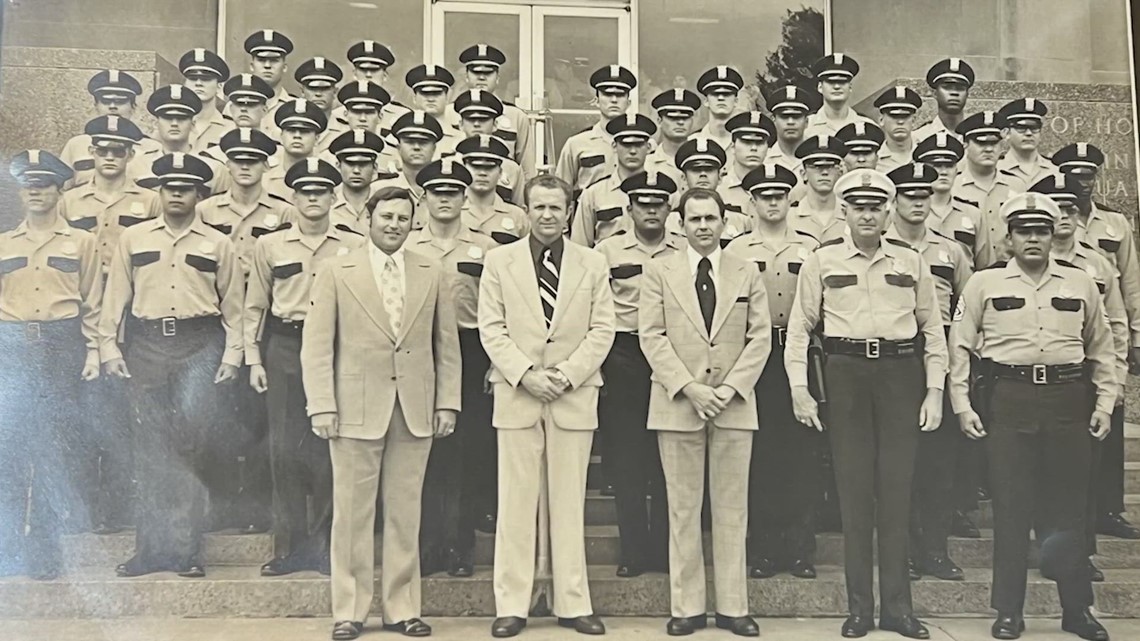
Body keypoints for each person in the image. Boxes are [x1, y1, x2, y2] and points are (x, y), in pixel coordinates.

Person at [786, 168, 947, 639]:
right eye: (859, 207)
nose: (868, 215)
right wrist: (800, 387)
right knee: (854, 493)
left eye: (877, 207)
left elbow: (933, 330)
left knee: (898, 492)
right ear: (845, 211)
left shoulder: (911, 261)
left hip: (900, 374)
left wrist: (934, 390)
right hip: (847, 375)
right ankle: (859, 608)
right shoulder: (822, 261)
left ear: (888, 211)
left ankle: (898, 609)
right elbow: (800, 329)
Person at [949, 192, 1115, 641]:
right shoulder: (983, 284)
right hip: (1010, 398)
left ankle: (1077, 610)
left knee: (1070, 512)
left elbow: (1102, 348)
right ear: (1009, 238)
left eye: (1042, 230)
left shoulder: (1079, 282)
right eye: (1025, 231)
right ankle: (1009, 611)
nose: (1034, 239)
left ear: (1054, 234)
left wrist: (1104, 404)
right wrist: (961, 404)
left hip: (1067, 400)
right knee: (1010, 508)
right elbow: (959, 348)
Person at [302, 186, 461, 640]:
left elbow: (446, 345)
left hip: (414, 409)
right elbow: (317, 346)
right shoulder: (337, 270)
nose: (394, 224)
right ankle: (349, 611)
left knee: (405, 511)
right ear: (367, 217)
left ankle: (401, 607)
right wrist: (322, 405)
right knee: (352, 512)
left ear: (414, 222)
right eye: (385, 216)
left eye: (403, 218)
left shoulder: (432, 271)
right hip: (354, 407)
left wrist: (447, 402)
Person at [478, 174, 614, 638]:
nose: (547, 216)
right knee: (515, 502)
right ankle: (511, 603)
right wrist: (527, 375)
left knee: (568, 501)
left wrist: (566, 375)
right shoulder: (500, 262)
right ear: (526, 210)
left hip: (573, 395)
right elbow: (491, 328)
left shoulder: (593, 263)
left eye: (556, 208)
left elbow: (603, 330)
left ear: (570, 210)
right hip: (518, 394)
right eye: (538, 207)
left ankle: (572, 602)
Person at [100, 152, 244, 578]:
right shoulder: (135, 239)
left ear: (199, 193)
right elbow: (115, 299)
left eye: (185, 188)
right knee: (148, 448)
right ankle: (149, 550)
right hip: (146, 345)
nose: (177, 193)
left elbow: (234, 306)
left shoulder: (218, 243)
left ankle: (185, 550)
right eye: (169, 187)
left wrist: (234, 355)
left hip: (200, 344)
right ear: (159, 192)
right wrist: (108, 347)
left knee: (189, 447)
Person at [639, 187, 771, 637]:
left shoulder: (745, 270)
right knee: (682, 509)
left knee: (733, 509)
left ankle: (734, 607)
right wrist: (691, 387)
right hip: (678, 403)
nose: (702, 226)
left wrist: (731, 388)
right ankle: (687, 606)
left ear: (724, 222)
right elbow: (651, 336)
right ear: (680, 223)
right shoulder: (659, 271)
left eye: (710, 218)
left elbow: (759, 338)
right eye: (694, 219)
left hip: (734, 406)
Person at [246, 158, 362, 577]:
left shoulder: (354, 244)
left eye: (321, 192)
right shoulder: (270, 246)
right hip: (285, 346)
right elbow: (255, 306)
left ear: (334, 197)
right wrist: (253, 358)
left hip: (338, 347)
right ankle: (290, 547)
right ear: (293, 198)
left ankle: (328, 545)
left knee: (334, 448)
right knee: (284, 448)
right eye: (305, 192)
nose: (313, 199)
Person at [0, 151, 101, 579]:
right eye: (28, 184)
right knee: (9, 450)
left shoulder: (82, 243)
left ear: (61, 190)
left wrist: (95, 351)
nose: (36, 190)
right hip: (12, 347)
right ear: (20, 192)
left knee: (51, 450)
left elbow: (94, 303)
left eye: (44, 183)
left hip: (61, 346)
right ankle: (7, 550)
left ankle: (44, 551)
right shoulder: (4, 243)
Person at [1031, 174, 1131, 582]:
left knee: (1082, 474)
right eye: (1058, 209)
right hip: (1041, 380)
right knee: (1038, 469)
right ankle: (1042, 546)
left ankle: (1079, 553)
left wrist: (1116, 380)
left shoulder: (1098, 264)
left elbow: (1116, 326)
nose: (1066, 216)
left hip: (1086, 377)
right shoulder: (1026, 260)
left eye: (1072, 208)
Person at [723, 164, 821, 580]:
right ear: (752, 202)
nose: (773, 202)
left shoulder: (811, 246)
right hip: (755, 356)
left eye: (780, 194)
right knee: (759, 454)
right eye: (764, 195)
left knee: (802, 455)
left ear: (790, 199)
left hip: (800, 355)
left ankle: (800, 550)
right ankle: (761, 548)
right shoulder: (736, 251)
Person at [406, 158, 497, 578]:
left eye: (453, 192)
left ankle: (461, 547)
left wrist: (493, 362)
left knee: (467, 450)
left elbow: (500, 310)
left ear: (465, 197)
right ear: (423, 197)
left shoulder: (487, 249)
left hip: (471, 346)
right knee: (422, 448)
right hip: (418, 348)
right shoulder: (407, 245)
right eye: (436, 192)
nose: (445, 199)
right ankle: (427, 547)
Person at [883, 163, 973, 582]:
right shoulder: (881, 246)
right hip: (897, 353)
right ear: (895, 201)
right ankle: (901, 552)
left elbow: (967, 304)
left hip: (943, 350)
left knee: (939, 461)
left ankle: (935, 551)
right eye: (909, 196)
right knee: (899, 461)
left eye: (924, 196)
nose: (918, 203)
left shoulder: (950, 250)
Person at [593, 170, 681, 579]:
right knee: (628, 459)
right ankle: (633, 550)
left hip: (673, 354)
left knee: (670, 458)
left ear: (669, 208)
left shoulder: (682, 250)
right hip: (624, 354)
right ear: (628, 209)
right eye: (642, 203)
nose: (650, 209)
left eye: (658, 203)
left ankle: (666, 550)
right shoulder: (606, 252)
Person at [1052, 142, 1140, 540]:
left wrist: (1134, 341)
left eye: (1088, 174)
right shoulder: (1051, 224)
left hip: (1103, 345)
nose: (1082, 181)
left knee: (1110, 424)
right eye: (1073, 173)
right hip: (1065, 350)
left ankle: (1108, 508)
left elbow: (1130, 287)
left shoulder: (1113, 225)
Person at [58, 115, 161, 270]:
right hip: (81, 284)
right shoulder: (68, 201)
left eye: (118, 152)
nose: (110, 158)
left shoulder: (152, 201)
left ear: (131, 155)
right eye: (102, 151)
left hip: (131, 284)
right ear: (91, 152)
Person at [197, 127, 292, 277]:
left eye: (252, 161)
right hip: (218, 288)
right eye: (238, 161)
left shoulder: (285, 212)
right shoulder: (204, 210)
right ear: (227, 165)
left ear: (266, 166)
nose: (245, 167)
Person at [59, 69, 159, 187]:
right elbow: (62, 190)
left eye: (120, 102)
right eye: (106, 101)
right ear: (96, 106)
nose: (112, 107)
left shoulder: (153, 148)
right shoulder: (77, 145)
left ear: (133, 107)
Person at [571, 113, 657, 247]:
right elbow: (579, 249)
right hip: (605, 265)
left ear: (649, 147)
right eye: (626, 144)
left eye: (639, 144)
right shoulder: (593, 194)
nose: (633, 151)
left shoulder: (663, 192)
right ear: (614, 146)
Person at [555, 65, 637, 201]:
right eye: (608, 94)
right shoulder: (576, 144)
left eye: (620, 94)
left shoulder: (642, 144)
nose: (614, 100)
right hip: (588, 217)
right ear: (597, 101)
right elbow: (561, 193)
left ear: (628, 102)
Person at [454, 44, 535, 177]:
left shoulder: (516, 116)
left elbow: (527, 169)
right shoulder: (450, 113)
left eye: (488, 73)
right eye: (476, 72)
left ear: (497, 78)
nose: (481, 78)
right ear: (466, 76)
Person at [136, 85, 228, 196]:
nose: (174, 124)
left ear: (193, 124)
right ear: (156, 124)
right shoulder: (137, 165)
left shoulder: (215, 168)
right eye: (168, 117)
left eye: (181, 118)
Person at [955, 111, 1016, 269]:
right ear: (965, 144)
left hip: (1010, 274)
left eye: (994, 143)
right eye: (981, 143)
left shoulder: (1017, 186)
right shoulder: (954, 187)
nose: (989, 149)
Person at [914, 132, 983, 265]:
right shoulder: (910, 212)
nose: (944, 172)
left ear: (957, 169)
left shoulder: (972, 214)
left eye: (949, 165)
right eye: (936, 166)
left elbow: (983, 265)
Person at [666, 138, 749, 244]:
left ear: (720, 177)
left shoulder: (740, 221)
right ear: (684, 178)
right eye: (695, 170)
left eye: (709, 169)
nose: (703, 174)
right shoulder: (669, 221)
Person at [451, 89, 527, 206]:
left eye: (483, 119)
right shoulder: (449, 165)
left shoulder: (511, 168)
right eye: (470, 119)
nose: (476, 124)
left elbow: (520, 212)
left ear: (495, 125)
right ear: (460, 124)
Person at [455, 134, 530, 244]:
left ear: (500, 173)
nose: (482, 173)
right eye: (476, 167)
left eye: (489, 167)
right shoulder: (451, 212)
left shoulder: (517, 216)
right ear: (464, 170)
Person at [373, 110, 445, 224]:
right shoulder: (378, 189)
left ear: (434, 148)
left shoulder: (447, 190)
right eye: (410, 141)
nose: (416, 147)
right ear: (398, 147)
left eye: (424, 142)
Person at [263, 99, 332, 203]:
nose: (297, 136)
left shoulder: (329, 180)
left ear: (317, 138)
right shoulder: (264, 180)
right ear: (281, 136)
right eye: (291, 130)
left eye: (305, 131)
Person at [339, 40, 411, 140]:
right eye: (363, 69)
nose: (368, 75)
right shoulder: (337, 114)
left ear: (385, 75)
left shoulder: (403, 116)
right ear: (354, 74)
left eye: (374, 70)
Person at [230, 29, 295, 134]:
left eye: (274, 60)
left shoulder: (293, 108)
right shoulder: (233, 107)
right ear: (251, 65)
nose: (267, 66)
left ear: (284, 67)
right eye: (261, 60)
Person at [789, 134, 848, 243]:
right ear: (803, 174)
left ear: (840, 172)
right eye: (817, 167)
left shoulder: (851, 215)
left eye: (830, 167)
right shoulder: (788, 217)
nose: (824, 172)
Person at [328, 129, 387, 236]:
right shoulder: (327, 205)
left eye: (363, 164)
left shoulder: (386, 204)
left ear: (375, 168)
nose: (356, 171)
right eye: (350, 163)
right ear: (338, 166)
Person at [719, 111, 776, 221]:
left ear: (767, 149)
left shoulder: (778, 190)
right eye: (747, 142)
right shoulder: (720, 190)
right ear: (732, 147)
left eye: (759, 143)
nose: (754, 148)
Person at [336, 81, 402, 174]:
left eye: (369, 112)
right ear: (346, 115)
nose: (362, 119)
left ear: (380, 117)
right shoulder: (331, 154)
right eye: (356, 112)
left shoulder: (396, 156)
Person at [996, 99, 1059, 193]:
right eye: (1021, 128)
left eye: (1034, 128)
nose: (1029, 133)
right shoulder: (996, 169)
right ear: (1007, 133)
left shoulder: (1054, 169)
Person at [805, 54, 873, 139]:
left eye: (842, 82)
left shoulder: (867, 126)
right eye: (830, 82)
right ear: (820, 87)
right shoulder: (806, 126)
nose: (837, 86)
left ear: (850, 87)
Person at [179, 48, 232, 154]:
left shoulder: (231, 129)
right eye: (193, 78)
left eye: (206, 78)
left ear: (219, 86)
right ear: (184, 84)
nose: (198, 83)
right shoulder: (171, 125)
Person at [763, 85, 822, 179]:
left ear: (806, 122)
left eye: (796, 116)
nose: (790, 122)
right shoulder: (763, 159)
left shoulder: (820, 157)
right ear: (774, 120)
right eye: (784, 116)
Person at [293, 57, 349, 155]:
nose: (318, 94)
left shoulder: (346, 133)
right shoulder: (290, 132)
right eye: (312, 88)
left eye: (325, 88)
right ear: (302, 91)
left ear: (335, 92)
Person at [913, 58, 975, 143]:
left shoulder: (977, 136)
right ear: (934, 93)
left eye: (960, 88)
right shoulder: (919, 137)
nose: (954, 92)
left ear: (967, 93)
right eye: (947, 87)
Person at [406, 64, 461, 157]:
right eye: (425, 93)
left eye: (436, 93)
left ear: (447, 97)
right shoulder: (402, 139)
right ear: (414, 98)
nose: (431, 99)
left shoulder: (460, 140)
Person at [648, 88, 700, 181]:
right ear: (659, 121)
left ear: (692, 121)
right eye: (673, 118)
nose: (680, 122)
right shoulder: (647, 164)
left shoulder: (702, 160)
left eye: (685, 118)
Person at [692, 66, 745, 151]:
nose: (721, 98)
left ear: (736, 101)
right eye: (715, 94)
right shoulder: (691, 143)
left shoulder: (747, 143)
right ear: (706, 101)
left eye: (726, 94)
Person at [874, 86, 922, 173]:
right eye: (894, 116)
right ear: (881, 120)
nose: (900, 122)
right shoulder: (874, 160)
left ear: (914, 121)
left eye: (905, 116)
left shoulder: (925, 154)